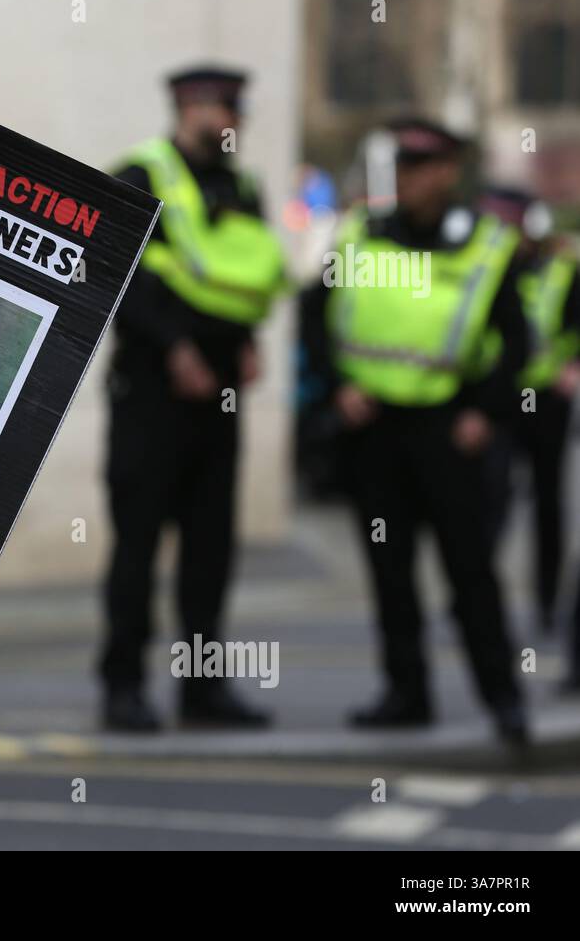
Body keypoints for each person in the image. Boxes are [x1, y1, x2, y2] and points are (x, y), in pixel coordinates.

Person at [307, 118, 529, 744]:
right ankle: (407, 694)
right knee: (389, 570)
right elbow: (315, 317)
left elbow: (514, 342)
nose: (411, 180)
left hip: (447, 429)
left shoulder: (486, 245)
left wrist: (486, 413)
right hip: (373, 429)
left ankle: (503, 699)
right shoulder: (358, 234)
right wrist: (335, 386)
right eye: (403, 168)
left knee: (471, 571)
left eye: (424, 169)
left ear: (449, 173)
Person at [99, 65, 286, 731]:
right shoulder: (141, 176)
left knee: (210, 550)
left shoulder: (243, 185)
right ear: (188, 106)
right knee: (139, 544)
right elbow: (121, 278)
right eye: (222, 111)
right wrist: (175, 349)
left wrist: (248, 340)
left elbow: (247, 276)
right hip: (151, 387)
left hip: (220, 396)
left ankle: (202, 691)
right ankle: (123, 687)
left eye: (238, 112)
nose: (233, 123)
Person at [478, 186, 580, 632]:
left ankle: (545, 602)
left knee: (546, 505)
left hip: (546, 402)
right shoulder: (486, 268)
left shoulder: (563, 271)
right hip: (500, 400)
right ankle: (479, 598)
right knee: (489, 498)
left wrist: (572, 368)